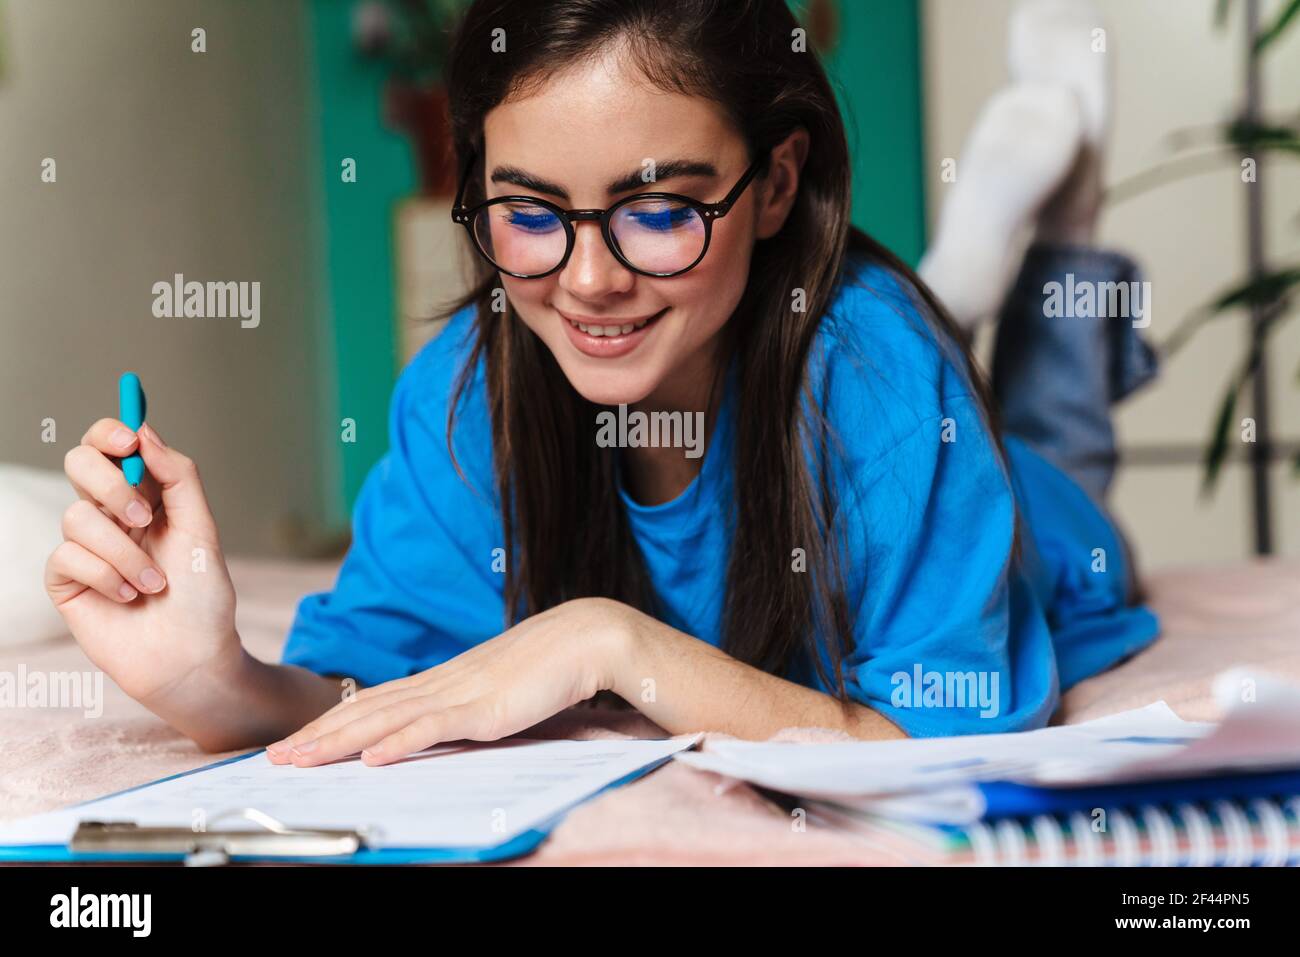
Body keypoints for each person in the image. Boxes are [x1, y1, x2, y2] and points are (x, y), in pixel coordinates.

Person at [45, 0, 1158, 765]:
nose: (587, 283)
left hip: (1014, 510)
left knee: (1052, 437)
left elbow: (934, 751)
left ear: (775, 184)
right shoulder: (462, 399)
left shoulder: (887, 403)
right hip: (826, 366)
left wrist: (609, 640)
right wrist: (212, 681)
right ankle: (957, 271)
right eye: (529, 213)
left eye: (660, 211)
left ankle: (1052, 231)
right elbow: (367, 694)